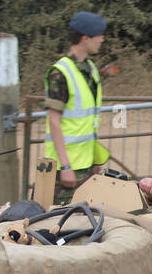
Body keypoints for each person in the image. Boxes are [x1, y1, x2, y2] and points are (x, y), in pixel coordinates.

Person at [43, 11, 111, 204]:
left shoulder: (90, 68)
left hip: (87, 164)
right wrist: (65, 166)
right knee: (60, 224)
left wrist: (96, 160)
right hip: (66, 169)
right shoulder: (60, 73)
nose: (102, 39)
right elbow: (54, 121)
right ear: (85, 38)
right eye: (98, 35)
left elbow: (89, 123)